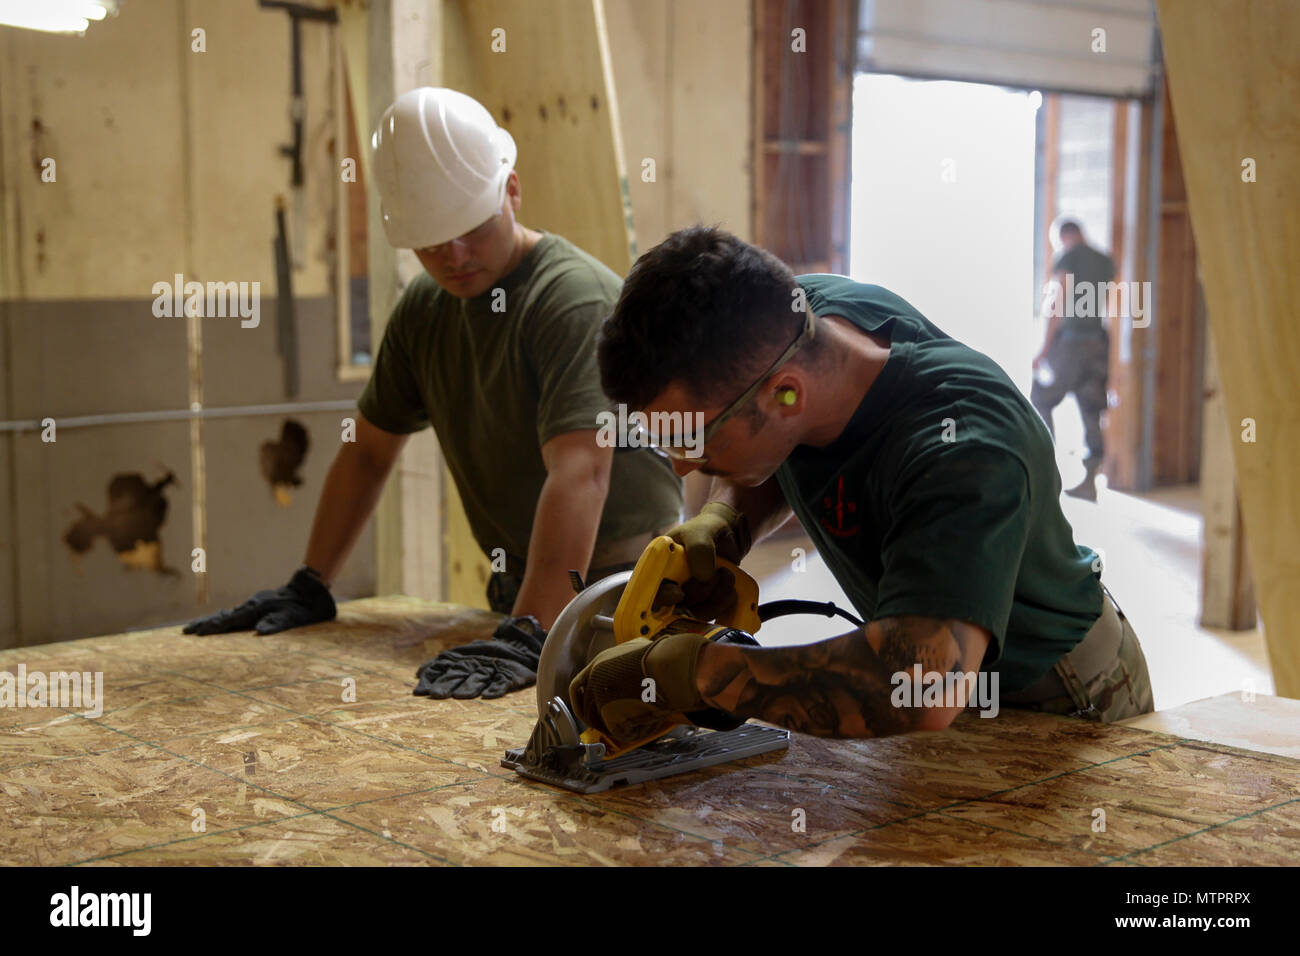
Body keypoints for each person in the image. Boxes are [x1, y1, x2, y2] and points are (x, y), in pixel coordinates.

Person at [184, 88, 682, 699]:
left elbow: (581, 472)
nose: (455, 257)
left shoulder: (569, 298)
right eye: (429, 241)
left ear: (513, 191)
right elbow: (367, 453)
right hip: (531, 591)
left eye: (472, 228)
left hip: (626, 596)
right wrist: (312, 581)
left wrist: (532, 630)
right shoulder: (425, 310)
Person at [570, 225, 1153, 746]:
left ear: (787, 392)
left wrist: (694, 674)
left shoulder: (967, 450)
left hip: (1062, 695)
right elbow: (782, 436)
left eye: (694, 440)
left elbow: (916, 691)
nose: (682, 468)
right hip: (946, 671)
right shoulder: (798, 320)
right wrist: (727, 522)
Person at [1031, 217, 1116, 501]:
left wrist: (1043, 350)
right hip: (1098, 343)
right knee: (1091, 407)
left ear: (1065, 236)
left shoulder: (1066, 257)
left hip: (1072, 344)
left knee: (1041, 398)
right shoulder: (1105, 261)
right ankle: (1090, 480)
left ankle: (1045, 474)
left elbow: (1058, 303)